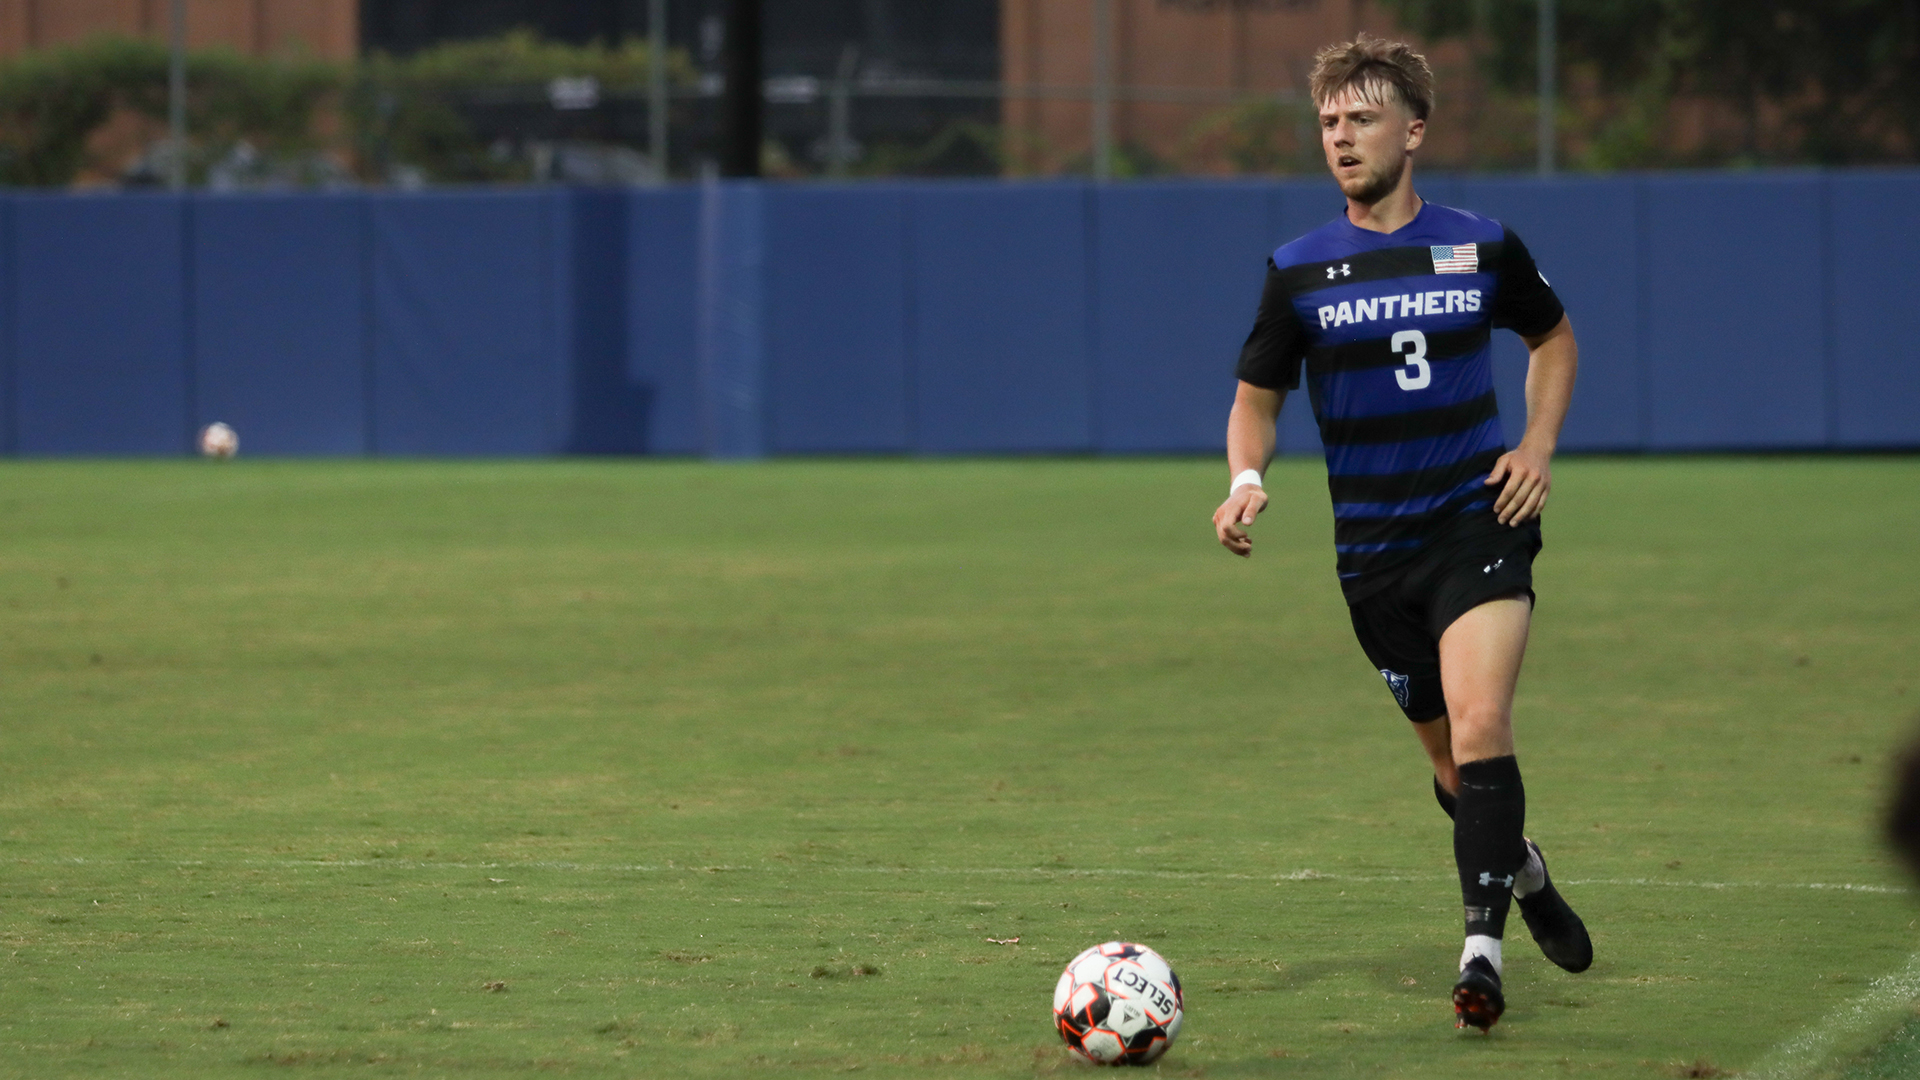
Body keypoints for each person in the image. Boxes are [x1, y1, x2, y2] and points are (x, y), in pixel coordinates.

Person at [1211, 35, 1591, 1032]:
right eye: (1329, 121)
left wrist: (1538, 445)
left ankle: (1480, 952)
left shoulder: (1478, 243)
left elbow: (1552, 337)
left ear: (1412, 131)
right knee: (1454, 772)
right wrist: (1247, 477)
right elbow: (1257, 397)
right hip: (1372, 563)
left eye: (1361, 118)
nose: (1340, 136)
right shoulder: (1296, 273)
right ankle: (1527, 869)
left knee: (1480, 723)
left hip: (1477, 523)